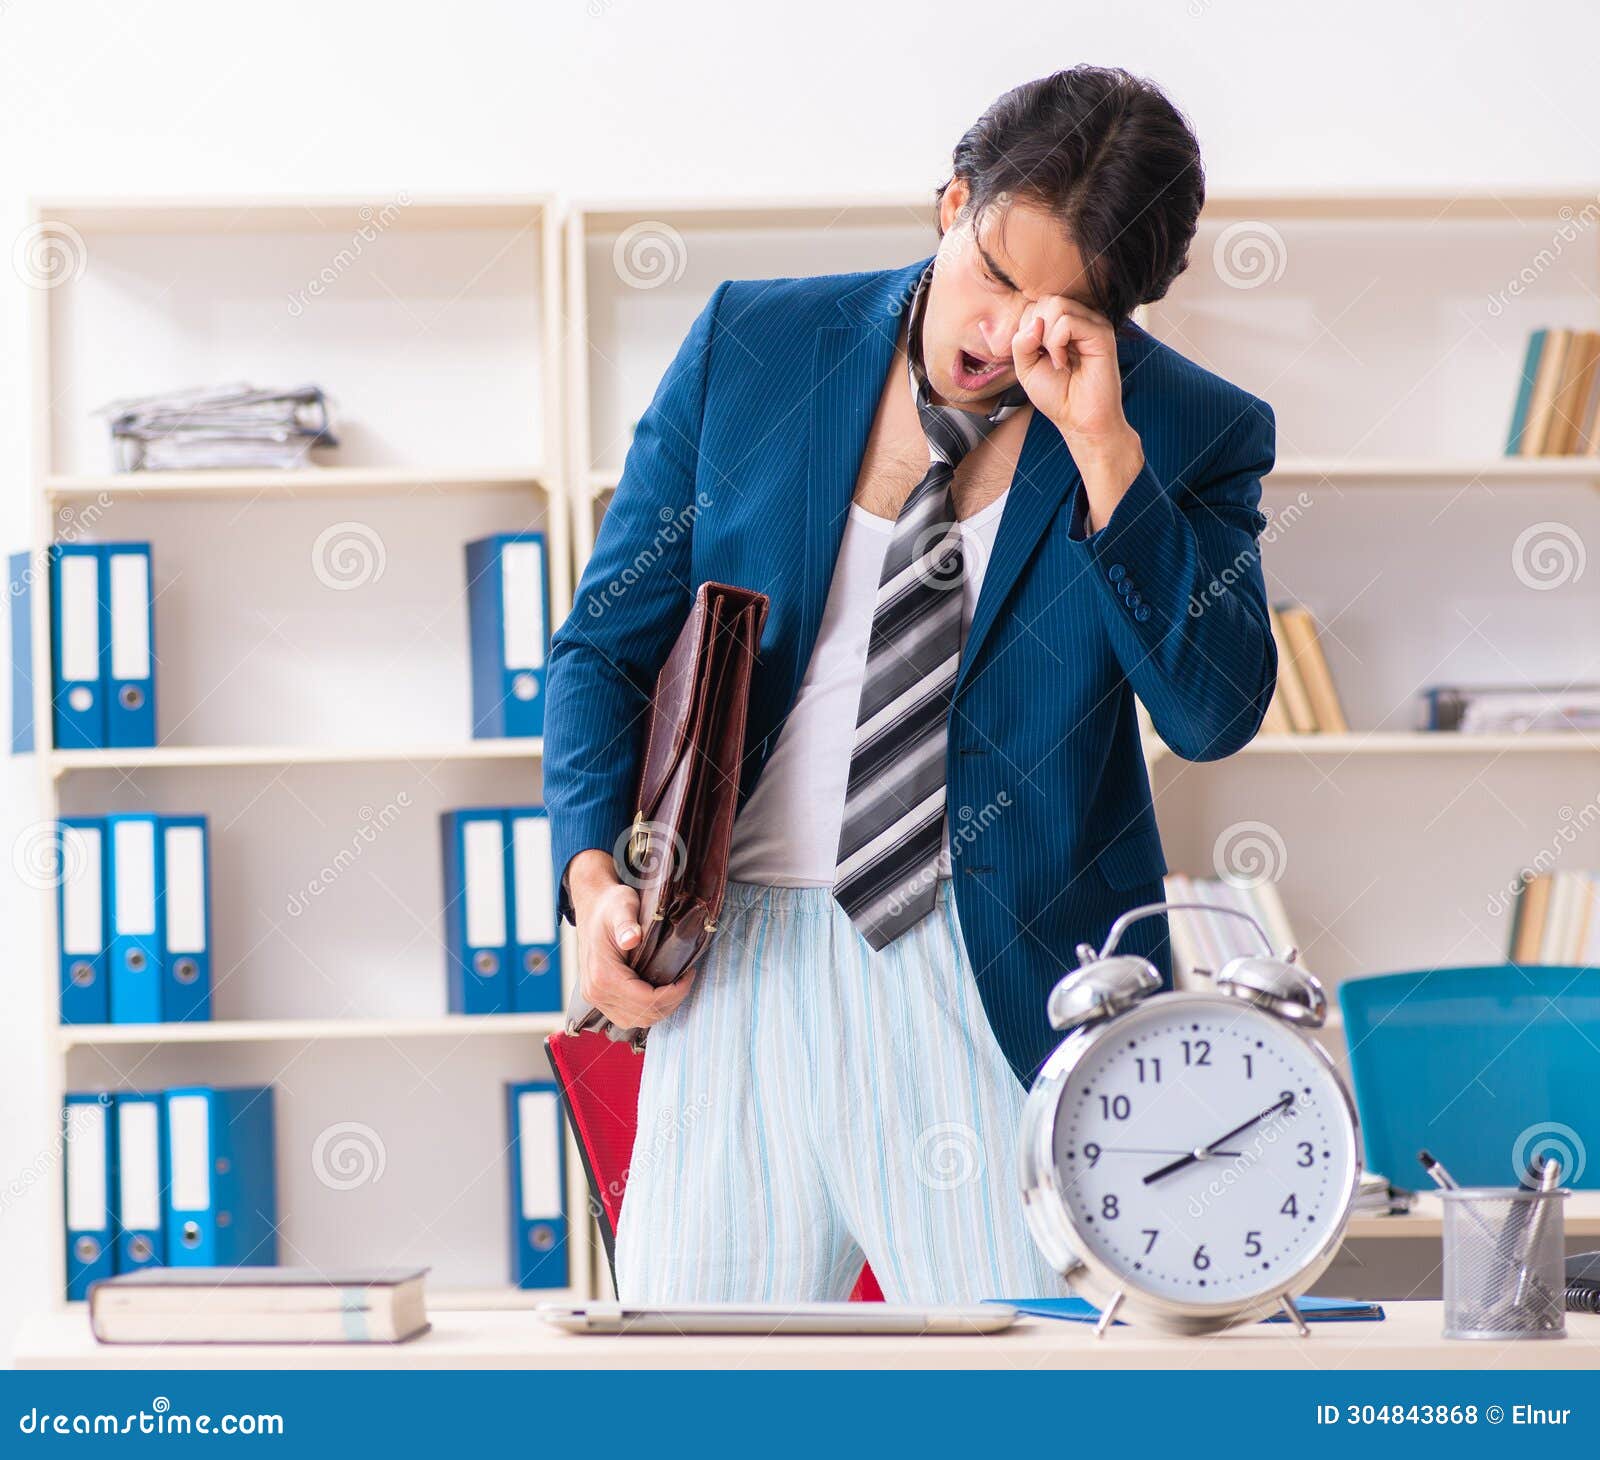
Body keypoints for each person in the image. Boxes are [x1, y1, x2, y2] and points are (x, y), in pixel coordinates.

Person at [544, 65, 1277, 1302]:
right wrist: (591, 880)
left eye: (1062, 308)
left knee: (1025, 1398)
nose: (1004, 336)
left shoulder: (1185, 429)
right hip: (738, 961)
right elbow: (603, 645)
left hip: (992, 977)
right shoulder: (756, 345)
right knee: (695, 1390)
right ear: (950, 202)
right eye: (994, 274)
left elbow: (1211, 714)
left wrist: (1105, 455)